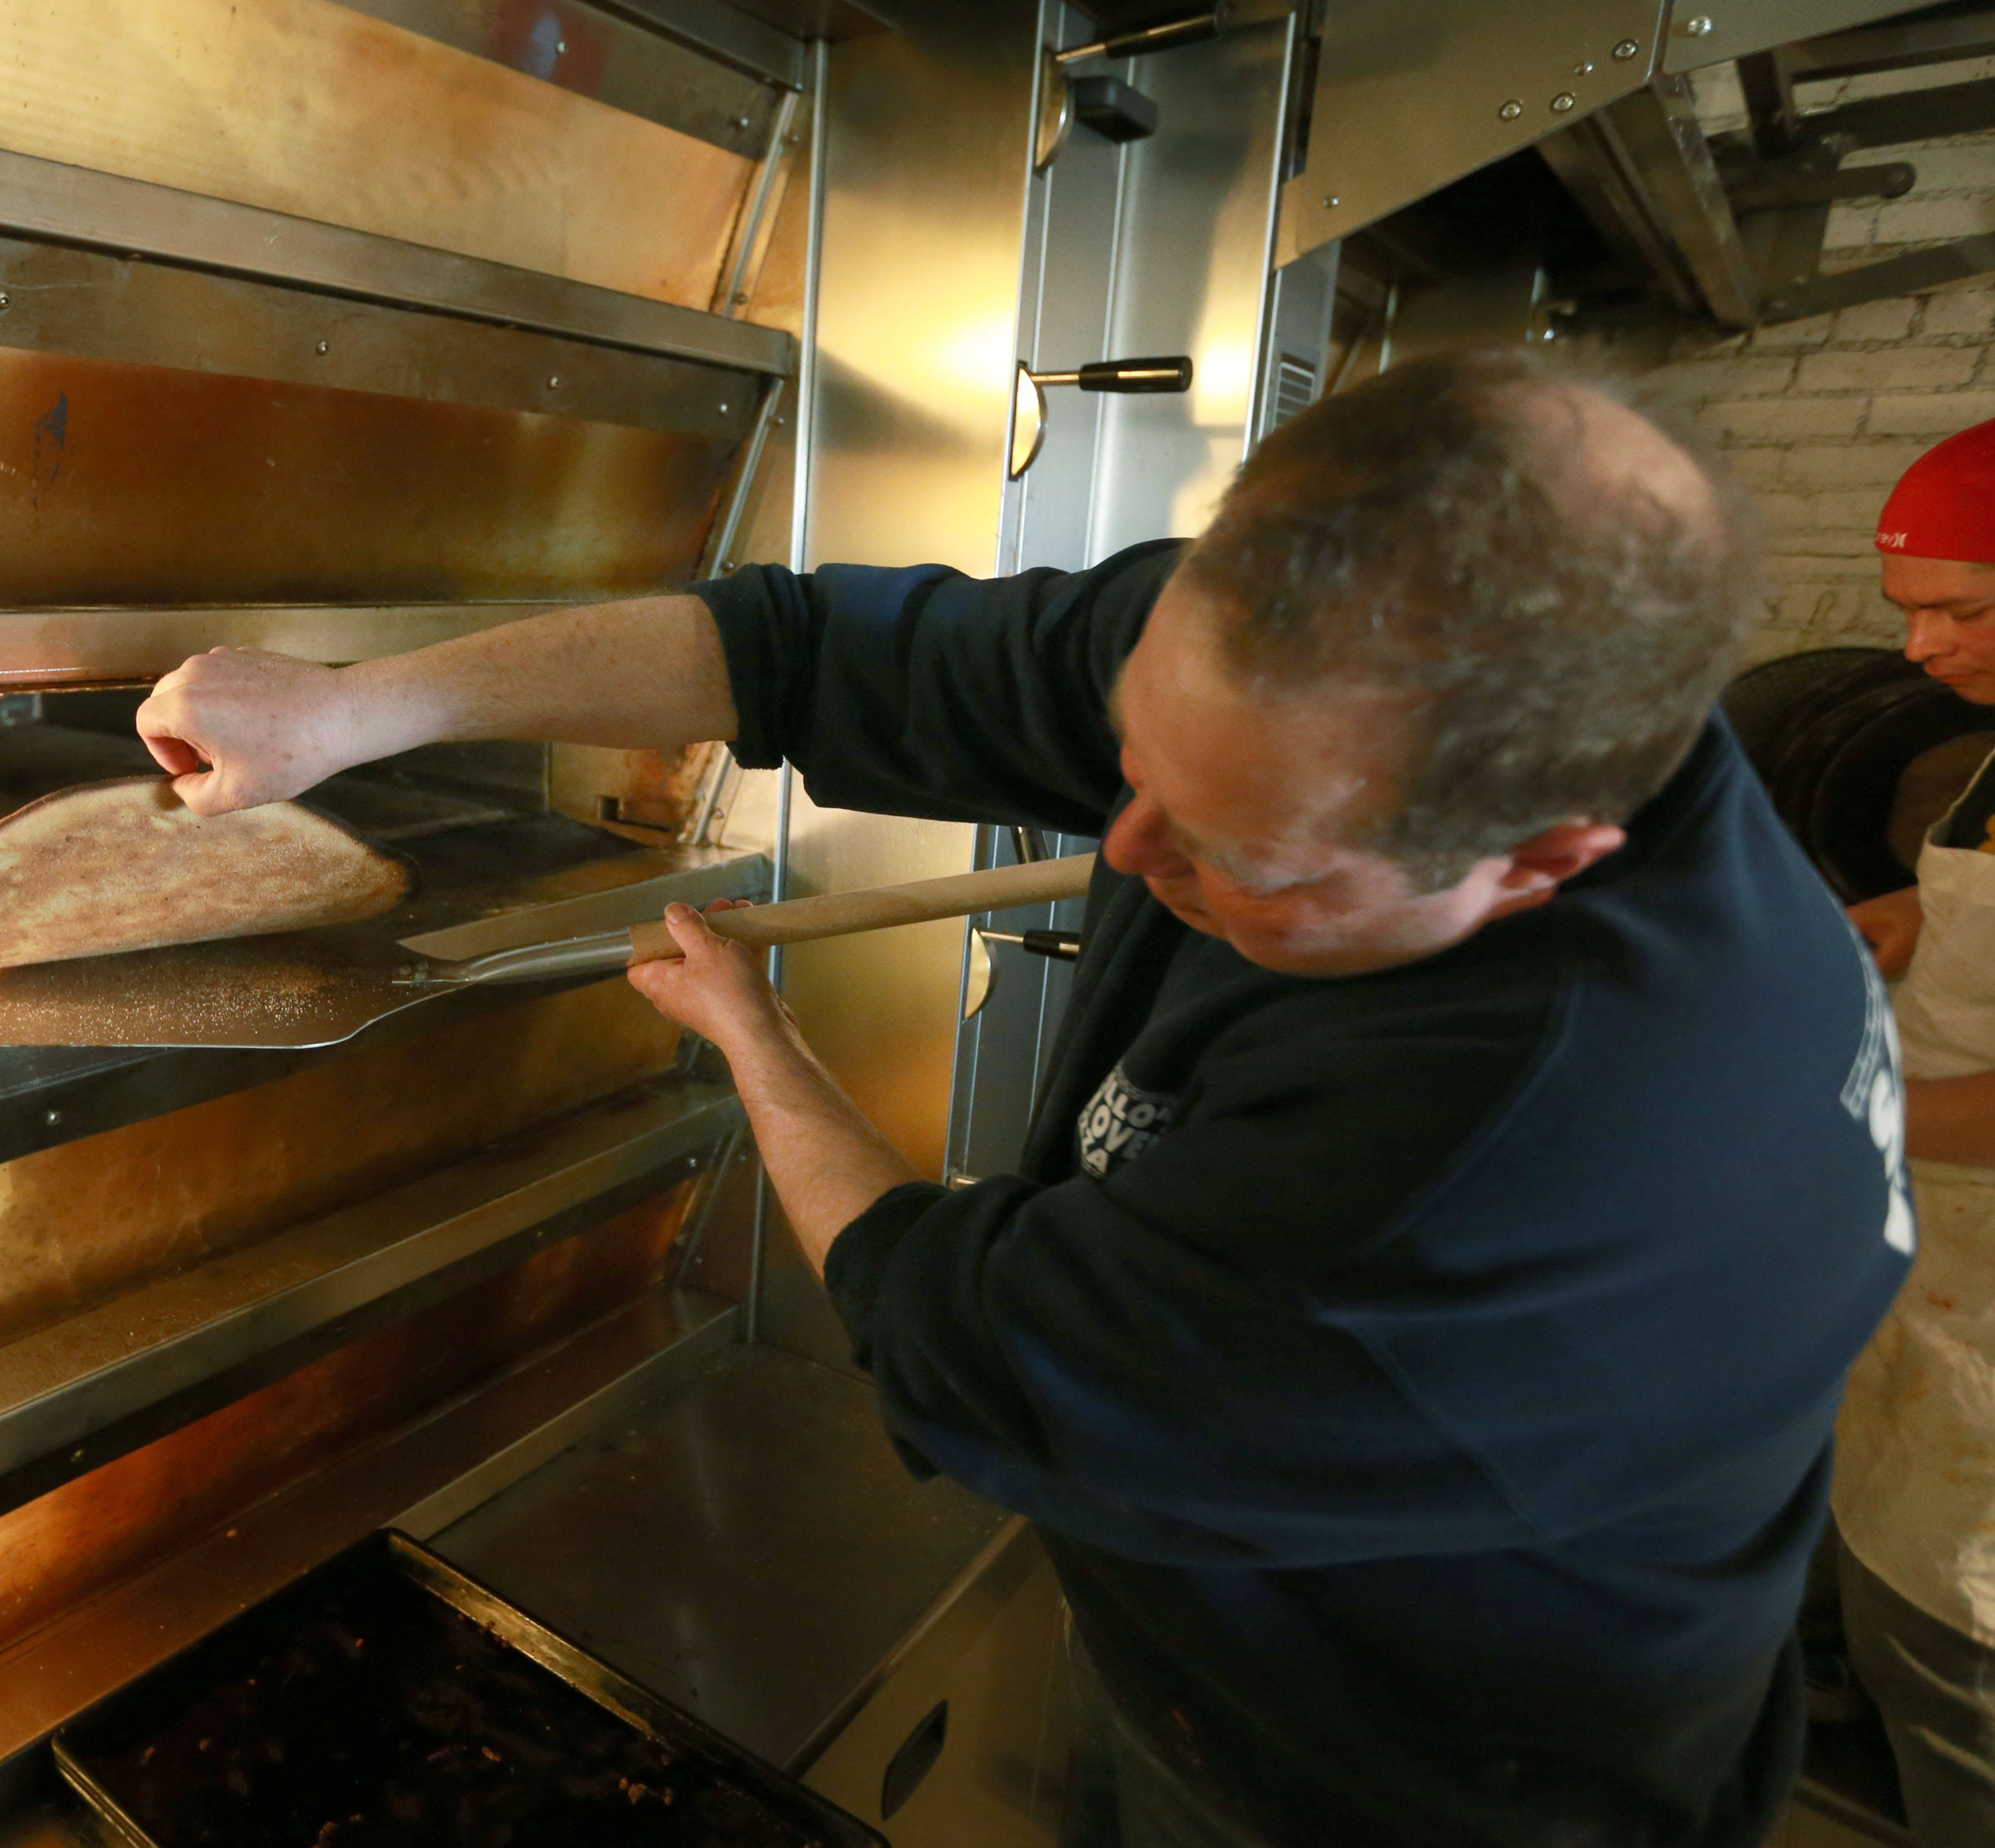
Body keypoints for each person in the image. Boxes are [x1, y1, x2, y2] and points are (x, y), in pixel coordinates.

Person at [136, 349, 1911, 1847]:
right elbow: (800, 650)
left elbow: (952, 1327)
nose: (1129, 852)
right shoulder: (1330, 657)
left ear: (1539, 864)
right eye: (1133, 756)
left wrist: (761, 1044)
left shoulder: (1494, 1170)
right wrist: (360, 711)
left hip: (1422, 1767)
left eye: (1239, 851)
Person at [1834, 417, 1995, 1846]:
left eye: (1967, 609)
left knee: (1966, 1694)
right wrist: (1895, 924)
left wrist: (1815, 1116)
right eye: (1911, 612)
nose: (1921, 650)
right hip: (1940, 1277)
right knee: (1900, 1626)